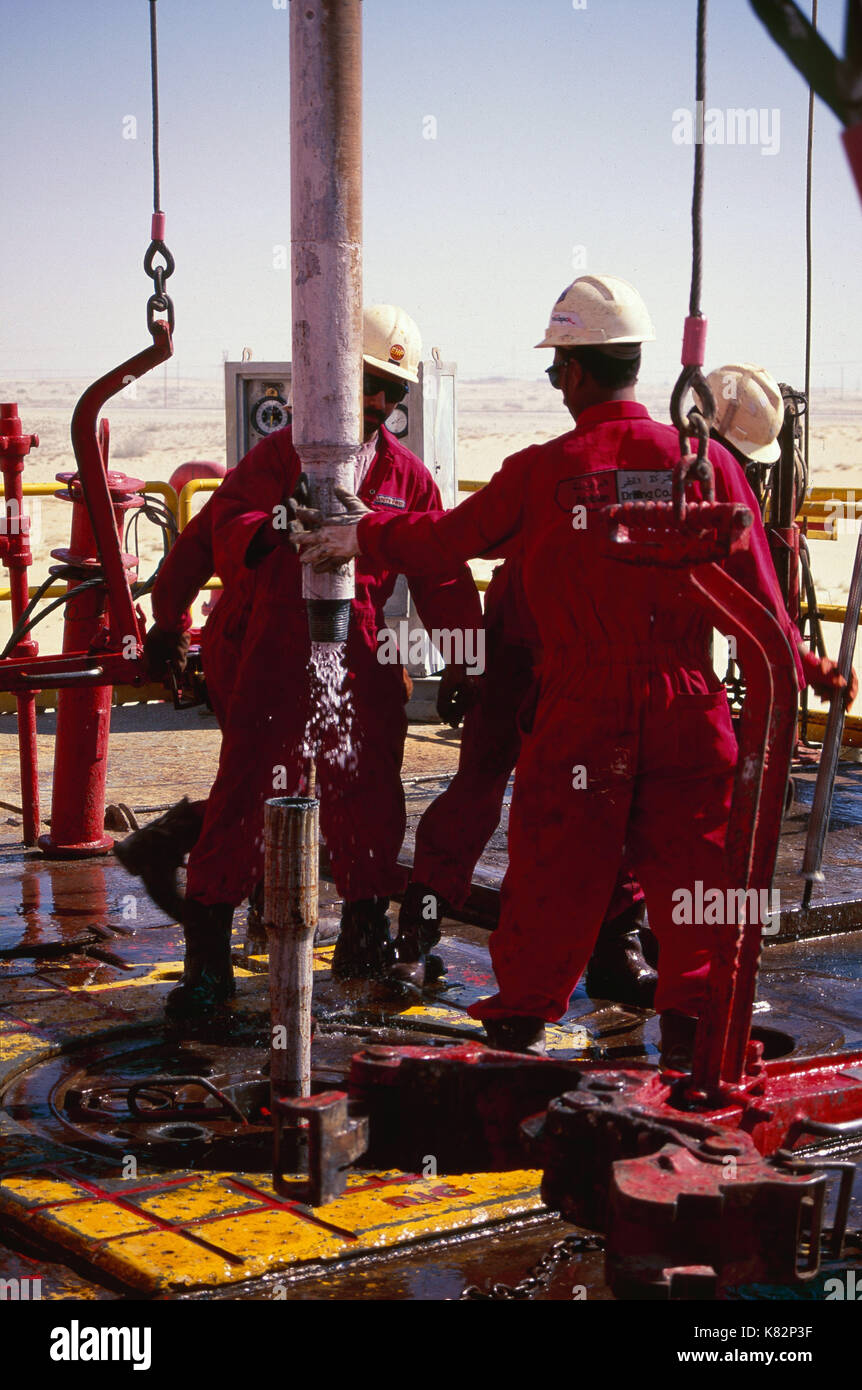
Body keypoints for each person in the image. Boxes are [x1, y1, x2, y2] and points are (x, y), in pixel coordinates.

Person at [298, 274, 854, 1062]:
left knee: (551, 877)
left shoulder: (542, 469)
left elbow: (444, 540)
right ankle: (697, 1042)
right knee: (698, 877)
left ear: (580, 371)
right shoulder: (707, 465)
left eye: (557, 370)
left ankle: (518, 1035)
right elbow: (759, 603)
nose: (557, 385)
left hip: (581, 709)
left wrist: (363, 538)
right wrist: (805, 663)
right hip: (690, 709)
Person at [157, 305, 481, 1021]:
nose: (380, 402)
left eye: (392, 390)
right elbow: (223, 528)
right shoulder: (278, 459)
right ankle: (208, 965)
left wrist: (463, 663)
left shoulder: (407, 479)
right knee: (249, 797)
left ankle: (363, 945)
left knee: (367, 790)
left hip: (359, 648)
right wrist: (273, 531)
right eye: (368, 382)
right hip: (274, 642)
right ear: (329, 377)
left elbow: (443, 576)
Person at [390, 550, 657, 1006]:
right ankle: (417, 933)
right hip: (516, 637)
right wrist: (464, 657)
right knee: (476, 788)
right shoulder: (539, 476)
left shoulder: (654, 479)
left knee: (614, 793)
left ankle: (618, 944)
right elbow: (465, 536)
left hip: (604, 639)